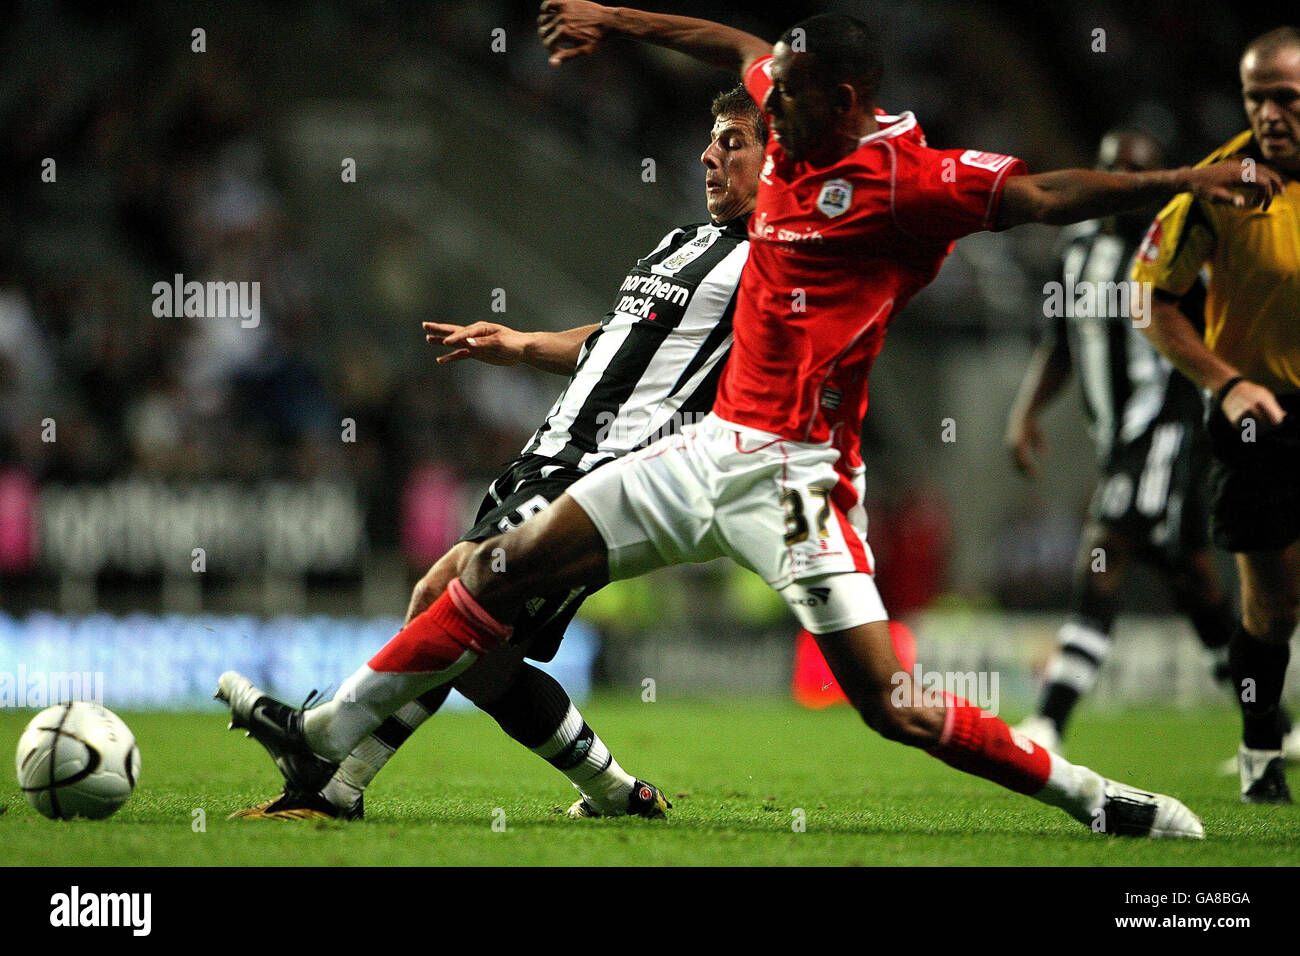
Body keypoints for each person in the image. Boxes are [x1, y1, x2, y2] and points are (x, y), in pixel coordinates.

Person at [219, 3, 1281, 838]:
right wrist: (619, 22)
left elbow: (1044, 197)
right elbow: (734, 43)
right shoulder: (786, 105)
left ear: (850, 97)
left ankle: (1097, 796)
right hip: (702, 449)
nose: (771, 121)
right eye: (772, 101)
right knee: (491, 570)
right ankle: (324, 737)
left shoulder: (912, 182)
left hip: (798, 482)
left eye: (794, 105)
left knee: (892, 705)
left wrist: (1183, 177)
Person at [231, 83, 767, 820]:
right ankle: (616, 794)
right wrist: (520, 346)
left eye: (733, 142)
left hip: (602, 479)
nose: (709, 155)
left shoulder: (774, 268)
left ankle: (329, 772)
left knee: (445, 595)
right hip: (544, 457)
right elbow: (614, 340)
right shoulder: (682, 244)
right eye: (711, 139)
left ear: (781, 164)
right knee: (481, 659)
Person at [1005, 129, 1288, 756]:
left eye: (1135, 172)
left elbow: (1218, 331)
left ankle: (1049, 720)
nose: (1123, 184)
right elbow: (1060, 341)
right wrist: (1025, 413)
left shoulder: (1175, 251)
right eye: (1111, 169)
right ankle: (1274, 724)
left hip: (1168, 425)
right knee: (1191, 578)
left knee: (1104, 550)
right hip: (1114, 435)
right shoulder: (1074, 248)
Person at [1133, 26, 1300, 804]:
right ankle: (1261, 752)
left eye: (1286, 98)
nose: (1269, 113)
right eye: (1256, 97)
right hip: (1258, 410)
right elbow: (1150, 300)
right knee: (1272, 603)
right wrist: (1224, 382)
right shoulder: (1217, 183)